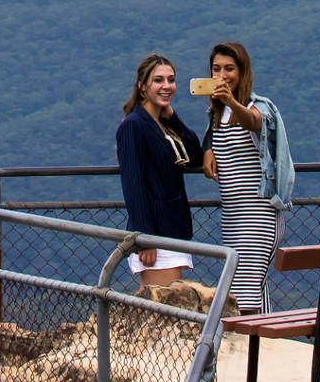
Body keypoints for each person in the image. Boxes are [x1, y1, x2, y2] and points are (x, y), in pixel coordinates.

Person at [200, 41, 294, 314]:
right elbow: (213, 137)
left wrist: (231, 100)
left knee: (243, 293)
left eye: (230, 69)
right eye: (216, 68)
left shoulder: (259, 107)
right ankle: (264, 349)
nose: (222, 74)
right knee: (252, 289)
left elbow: (255, 122)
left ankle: (249, 350)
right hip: (232, 216)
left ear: (243, 72)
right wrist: (208, 150)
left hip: (259, 215)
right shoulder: (217, 114)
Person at [116, 52, 205, 288]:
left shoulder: (163, 124)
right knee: (164, 314)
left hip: (173, 228)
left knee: (168, 311)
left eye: (171, 80)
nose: (166, 86)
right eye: (158, 80)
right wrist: (145, 237)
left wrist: (173, 117)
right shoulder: (134, 126)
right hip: (156, 233)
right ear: (142, 86)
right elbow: (133, 186)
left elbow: (195, 155)